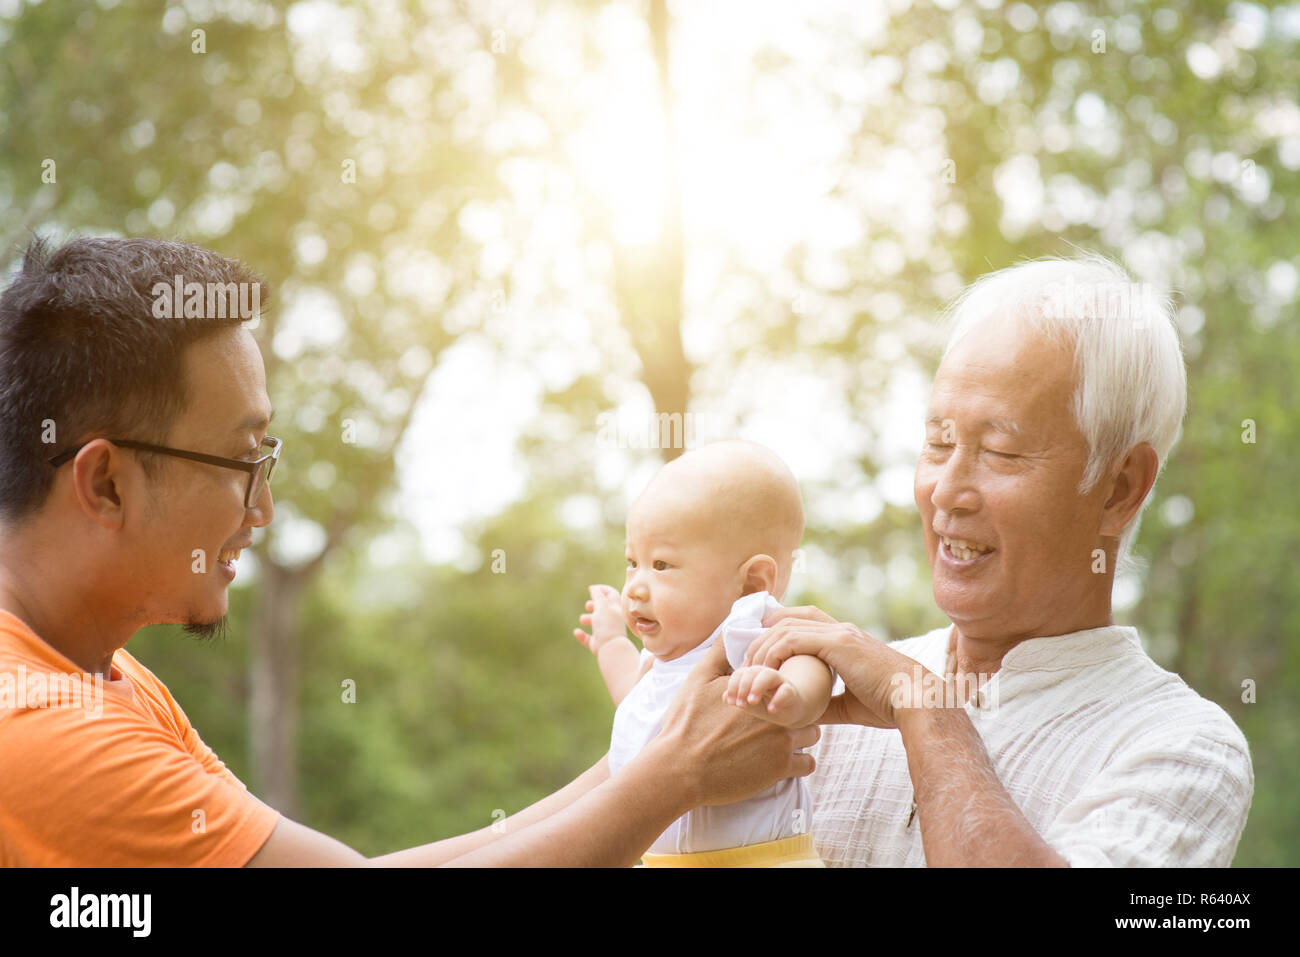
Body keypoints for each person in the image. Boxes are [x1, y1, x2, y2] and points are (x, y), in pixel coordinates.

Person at [0, 236, 817, 867]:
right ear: (104, 482)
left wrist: (655, 748)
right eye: (242, 461)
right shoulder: (40, 735)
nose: (265, 507)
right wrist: (671, 777)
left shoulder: (106, 680)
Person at [743, 255, 1253, 866]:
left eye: (1001, 451)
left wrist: (924, 710)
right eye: (938, 442)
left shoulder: (1182, 748)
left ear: (1119, 489)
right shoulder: (813, 693)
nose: (946, 491)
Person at [574, 440, 832, 866]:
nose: (635, 586)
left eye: (661, 566)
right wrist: (612, 643)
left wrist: (791, 694)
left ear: (751, 583)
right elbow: (635, 704)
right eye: (631, 562)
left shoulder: (748, 627)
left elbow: (812, 662)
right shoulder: (664, 664)